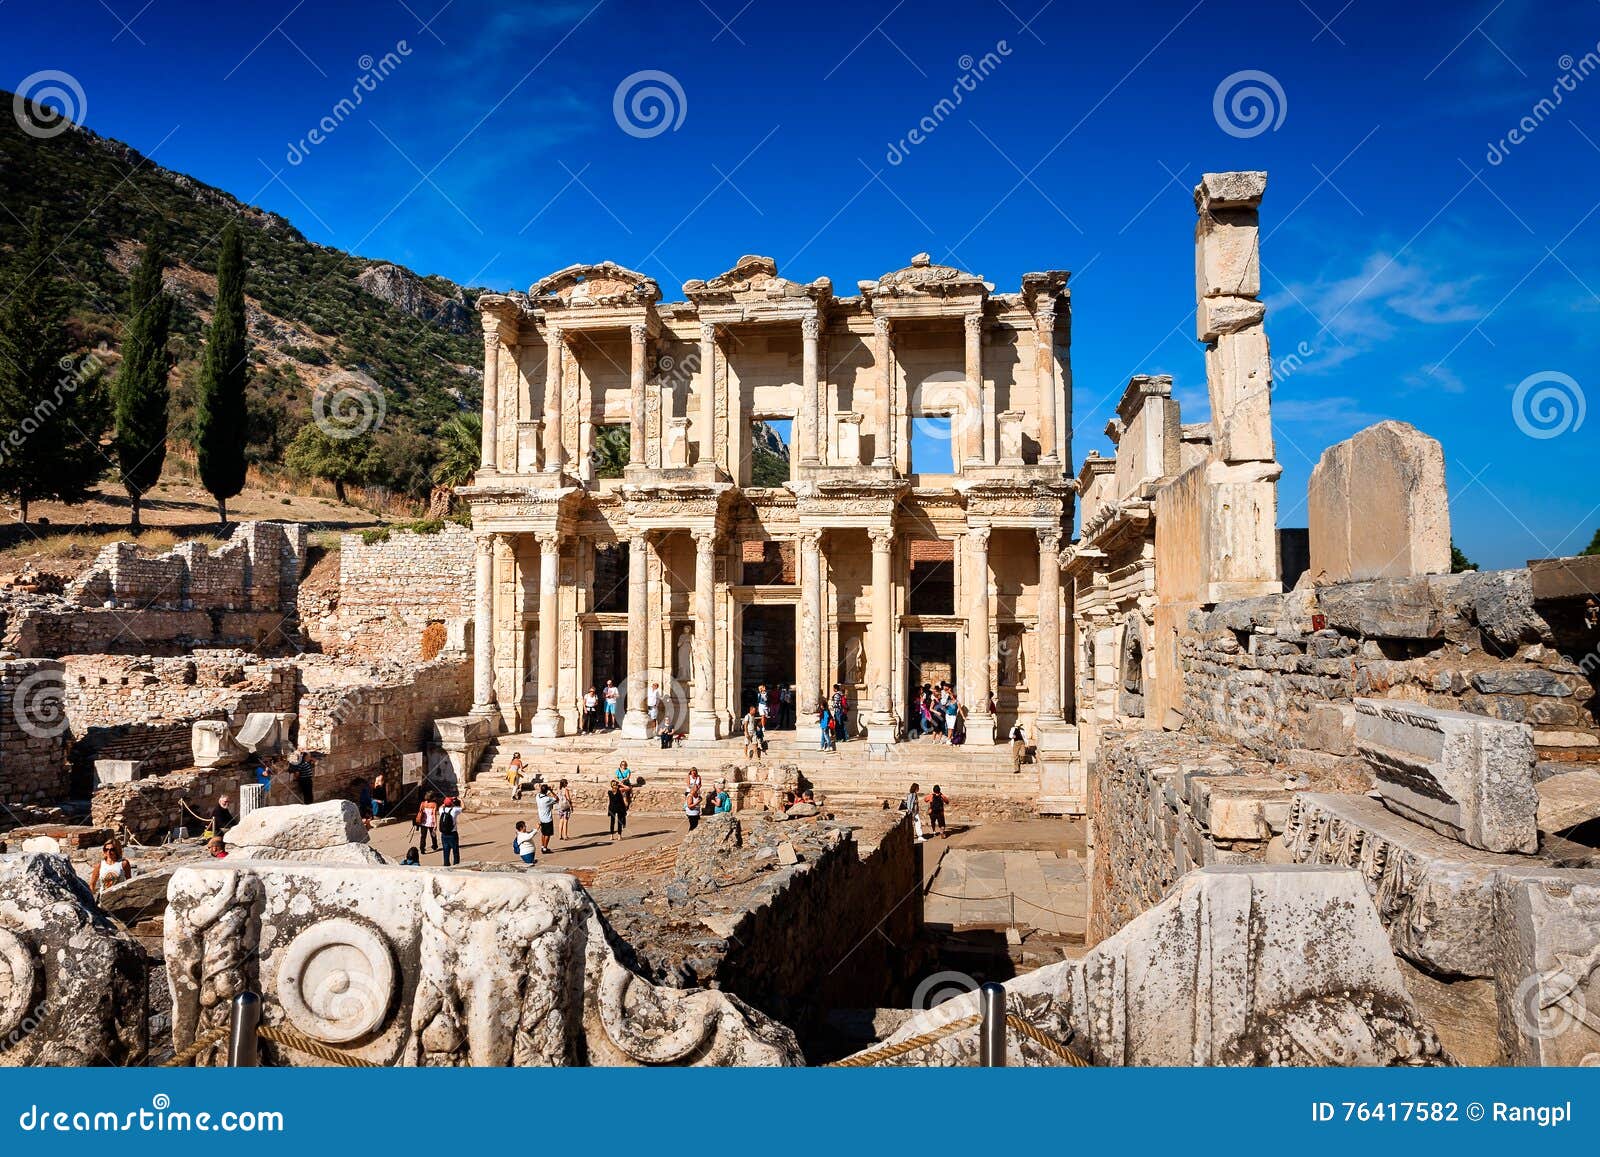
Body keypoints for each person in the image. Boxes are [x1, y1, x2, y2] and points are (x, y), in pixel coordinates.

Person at [438, 795, 462, 866]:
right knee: (455, 851)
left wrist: (446, 802)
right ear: (451, 803)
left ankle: (446, 864)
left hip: (444, 834)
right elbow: (463, 807)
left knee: (446, 851)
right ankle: (456, 865)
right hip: (453, 833)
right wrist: (460, 799)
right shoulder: (455, 810)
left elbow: (440, 806)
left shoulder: (441, 810)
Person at [535, 784, 557, 854]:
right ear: (546, 791)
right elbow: (557, 799)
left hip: (541, 818)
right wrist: (551, 791)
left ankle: (542, 846)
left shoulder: (538, 796)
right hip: (547, 819)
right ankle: (545, 848)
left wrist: (546, 789)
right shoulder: (547, 799)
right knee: (547, 834)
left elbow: (541, 792)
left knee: (543, 833)